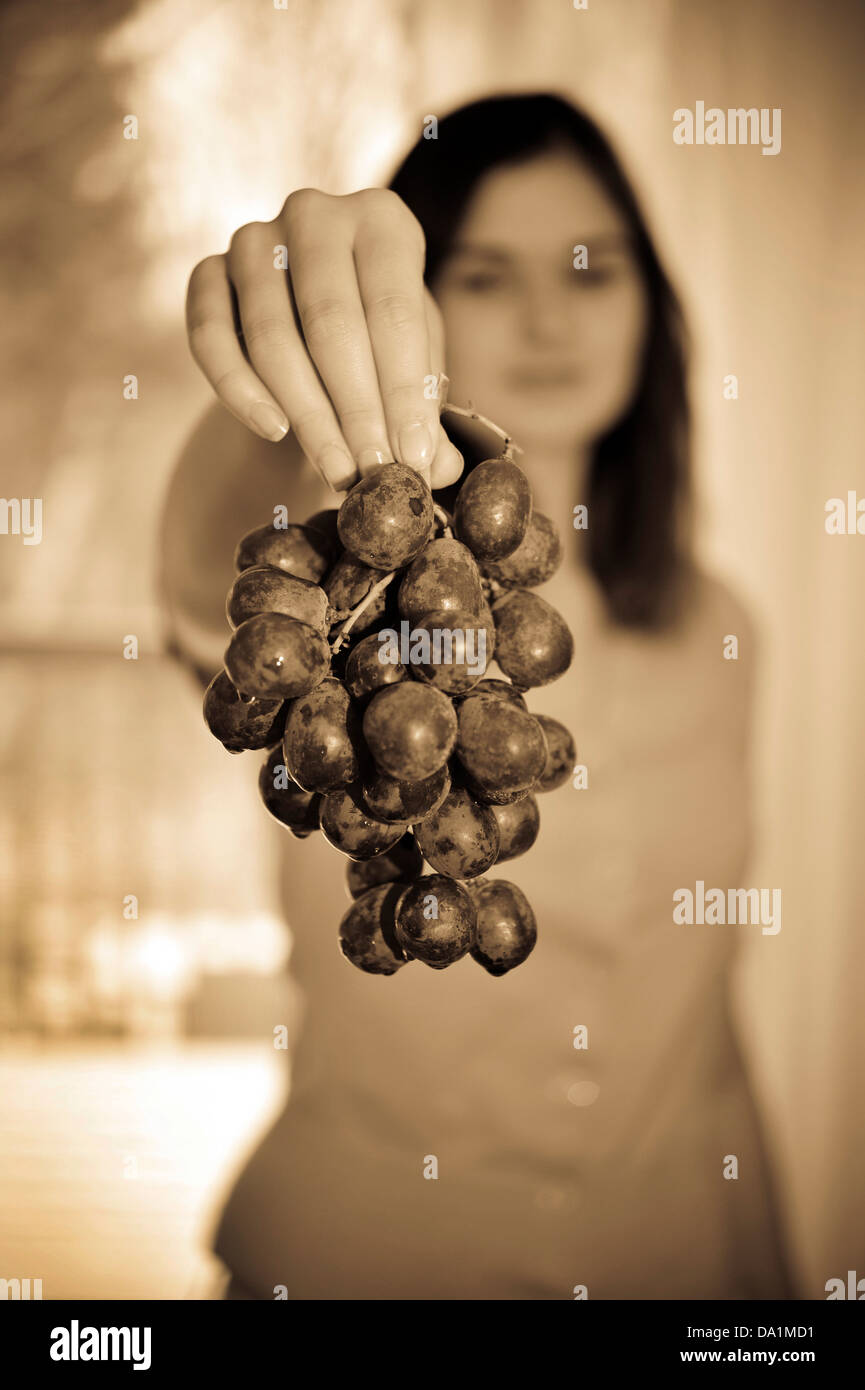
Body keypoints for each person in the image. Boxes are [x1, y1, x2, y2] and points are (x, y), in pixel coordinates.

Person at [161, 93, 795, 1299]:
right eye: (487, 277)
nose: (551, 317)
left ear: (651, 309)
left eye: (591, 270)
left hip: (689, 1267)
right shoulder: (339, 591)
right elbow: (212, 557)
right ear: (419, 316)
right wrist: (298, 326)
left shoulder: (722, 629)